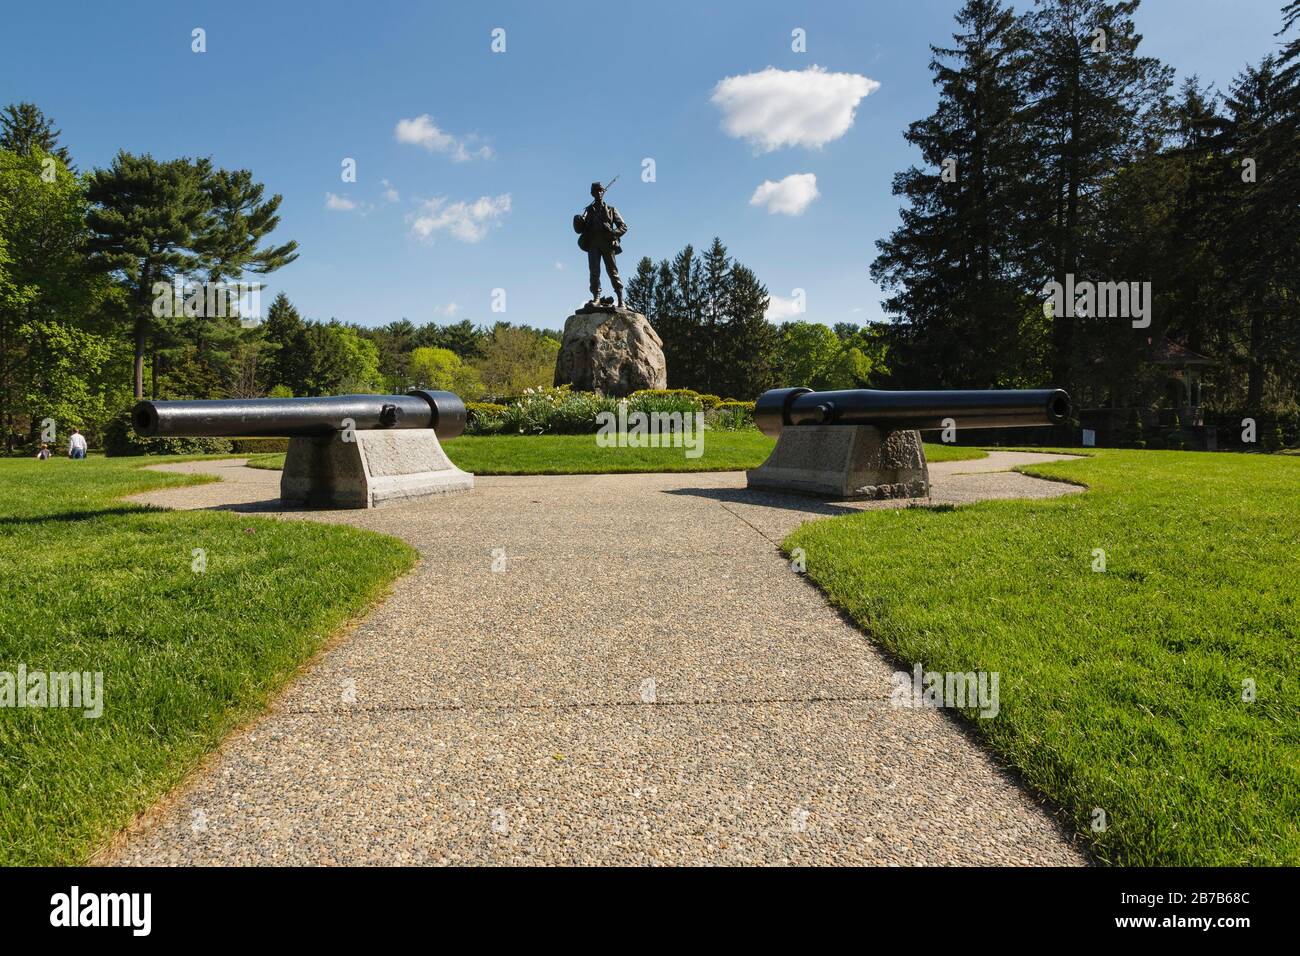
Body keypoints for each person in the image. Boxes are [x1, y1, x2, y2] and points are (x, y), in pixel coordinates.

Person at [572, 181, 628, 309]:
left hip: (608, 243)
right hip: (593, 244)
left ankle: (620, 299)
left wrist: (614, 233)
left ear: (604, 192)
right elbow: (581, 228)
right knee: (594, 272)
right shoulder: (588, 211)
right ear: (592, 193)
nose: (599, 192)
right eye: (596, 191)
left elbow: (623, 226)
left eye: (601, 190)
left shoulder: (611, 209)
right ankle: (596, 298)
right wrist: (579, 221)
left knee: (612, 271)